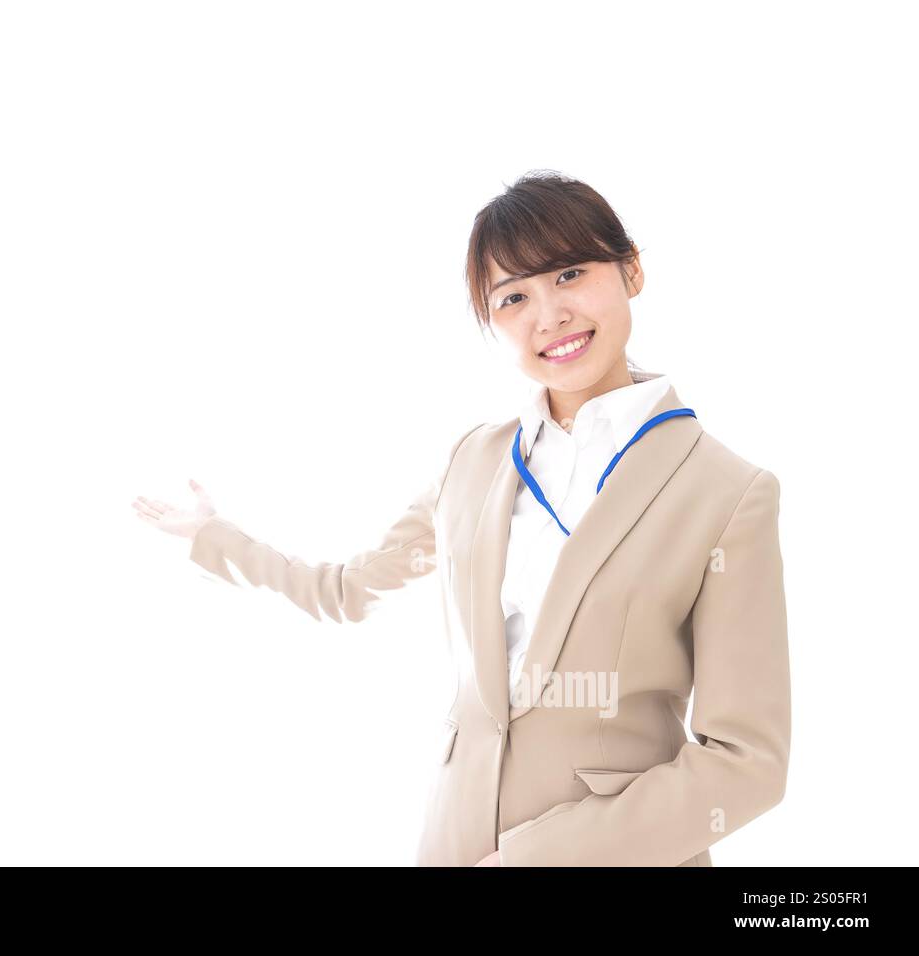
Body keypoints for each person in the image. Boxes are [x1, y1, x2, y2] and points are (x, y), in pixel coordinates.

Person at [132, 170, 791, 867]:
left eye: (570, 274)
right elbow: (350, 590)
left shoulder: (727, 492)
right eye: (513, 297)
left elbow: (746, 763)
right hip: (452, 844)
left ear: (630, 270)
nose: (549, 315)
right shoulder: (473, 462)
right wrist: (215, 538)